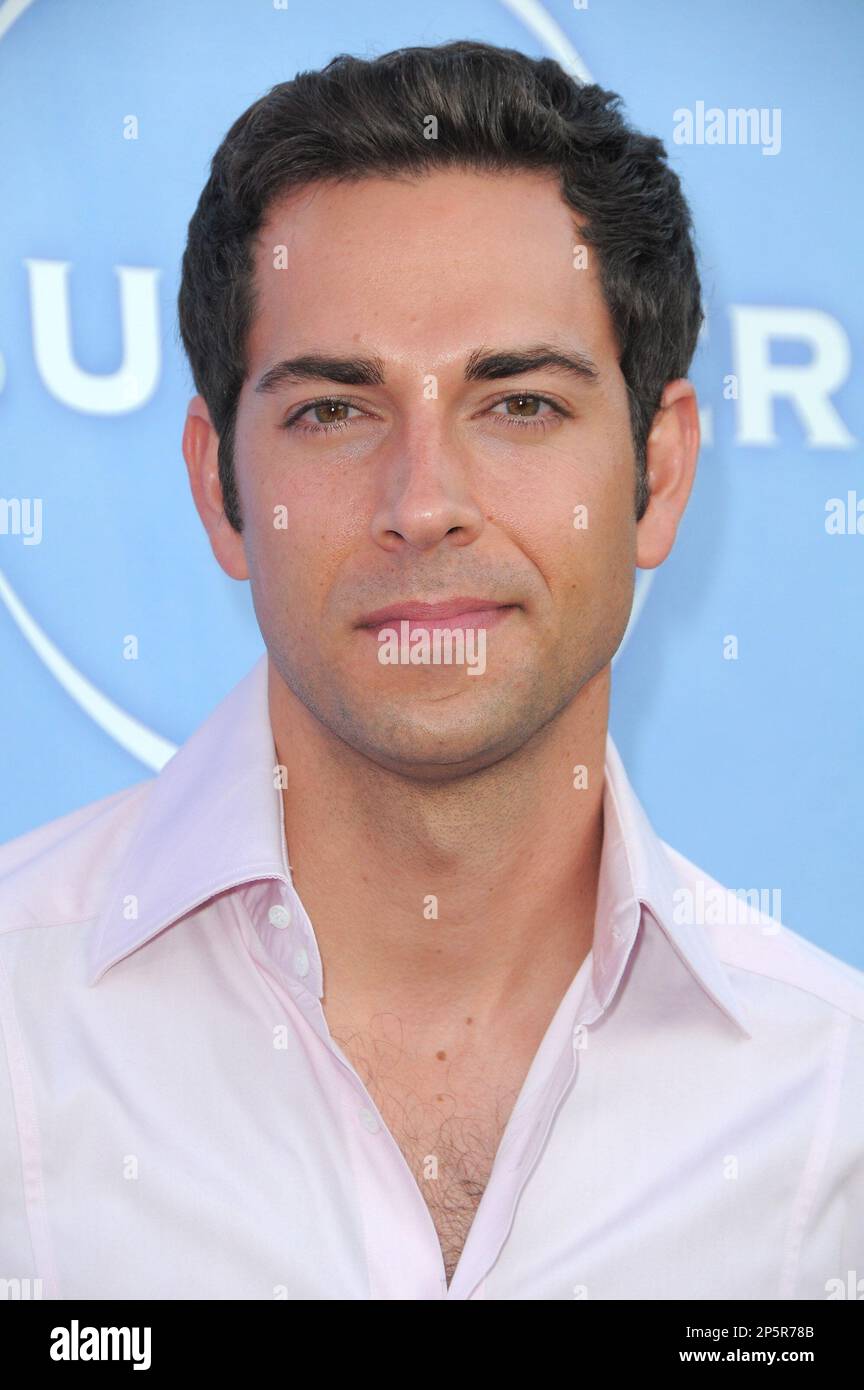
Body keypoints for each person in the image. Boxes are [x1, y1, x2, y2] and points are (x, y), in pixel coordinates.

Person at [1, 40, 861, 1302]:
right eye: (333, 411)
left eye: (518, 403)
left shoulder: (833, 1105)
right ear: (219, 490)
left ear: (658, 475)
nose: (424, 503)